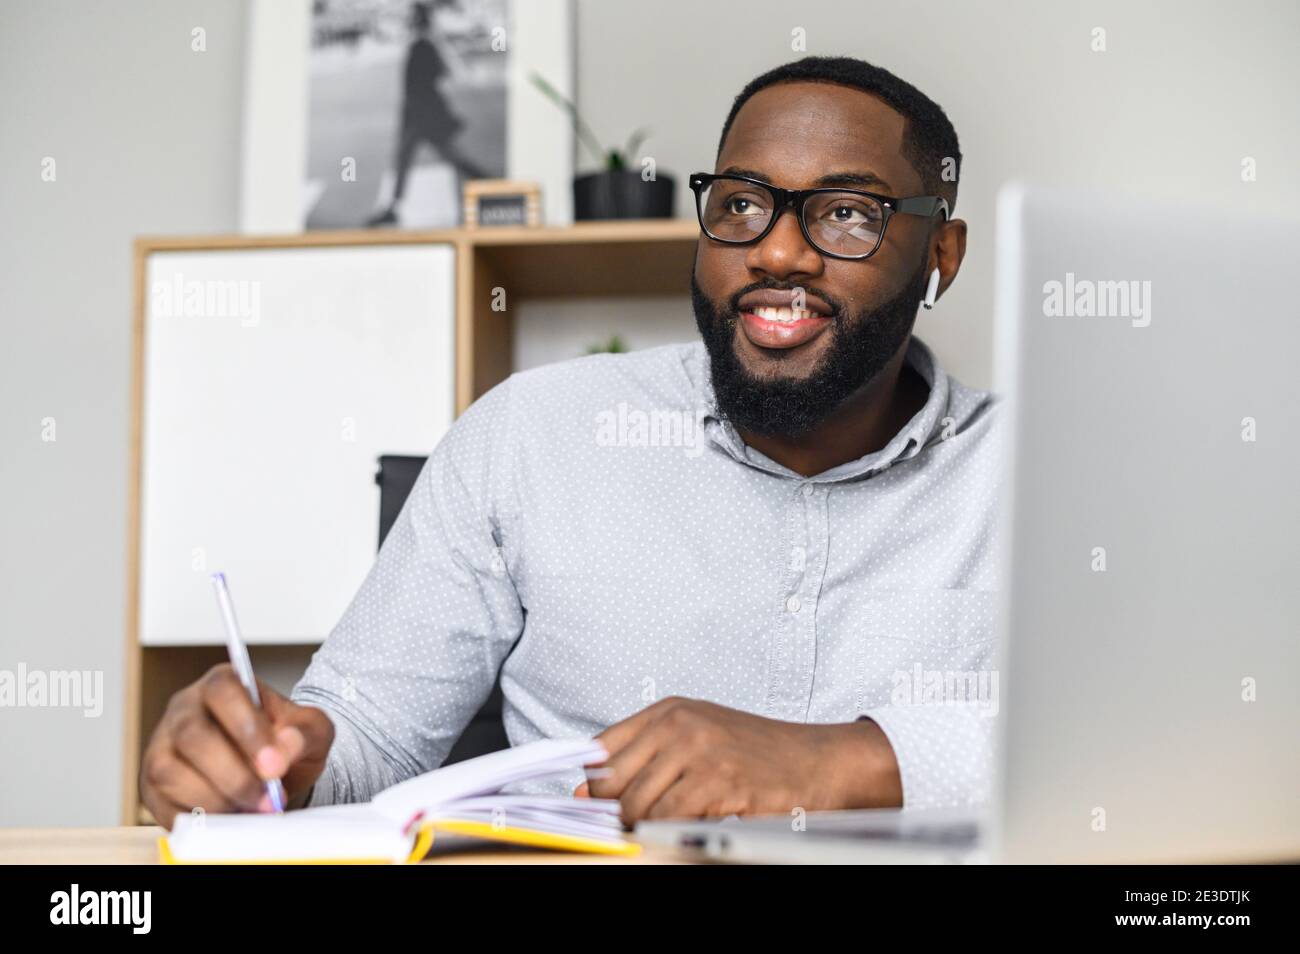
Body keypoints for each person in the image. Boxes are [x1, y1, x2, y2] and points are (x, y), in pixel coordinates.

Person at [142, 55, 996, 829]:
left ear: (940, 256)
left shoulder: (1031, 477)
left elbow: (1123, 739)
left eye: (847, 214)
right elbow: (364, 740)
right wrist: (270, 763)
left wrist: (843, 762)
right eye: (741, 203)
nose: (775, 251)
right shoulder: (529, 436)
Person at [368, 1, 486, 227]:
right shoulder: (423, 43)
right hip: (418, 114)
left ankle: (490, 184)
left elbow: (436, 76)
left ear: (418, 20)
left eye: (411, 17)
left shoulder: (424, 45)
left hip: (425, 115)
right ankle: (393, 206)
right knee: (409, 159)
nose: (408, 21)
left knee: (451, 157)